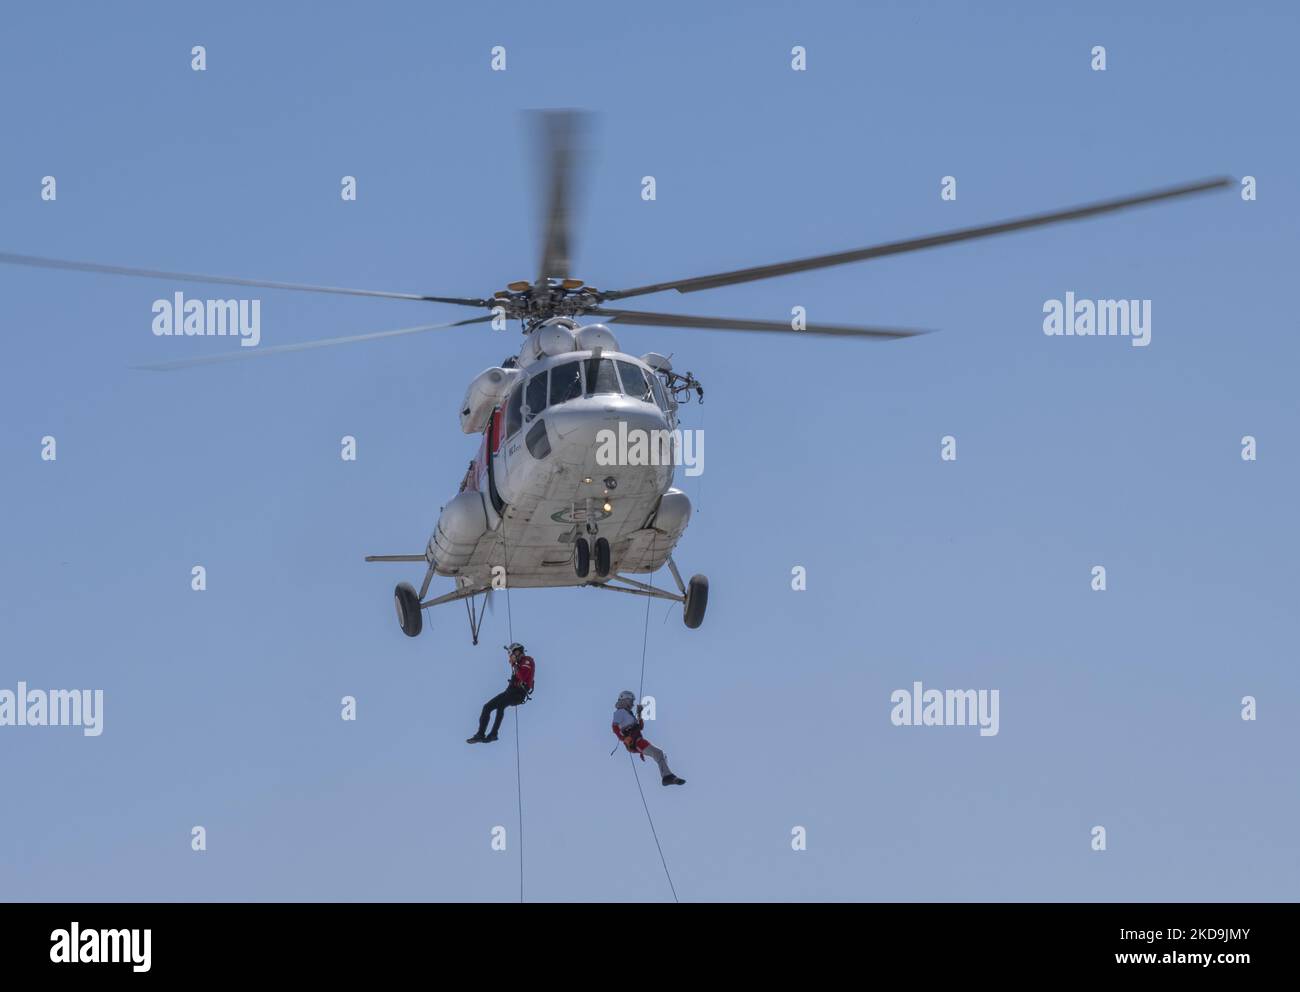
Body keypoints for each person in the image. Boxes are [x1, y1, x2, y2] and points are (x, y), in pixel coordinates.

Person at [612, 690, 685, 786]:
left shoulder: (628, 714)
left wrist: (639, 714)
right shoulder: (620, 712)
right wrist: (623, 738)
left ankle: (667, 775)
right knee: (658, 753)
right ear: (625, 700)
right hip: (635, 741)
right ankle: (667, 777)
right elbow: (614, 727)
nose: (632, 704)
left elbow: (640, 727)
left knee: (662, 754)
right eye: (631, 701)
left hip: (637, 739)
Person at [467, 643, 535, 743]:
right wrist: (515, 664)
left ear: (518, 652)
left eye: (512, 654)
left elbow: (523, 677)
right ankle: (481, 734)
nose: (511, 657)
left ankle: (493, 734)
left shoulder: (527, 660)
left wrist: (515, 664)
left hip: (518, 694)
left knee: (500, 705)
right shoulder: (519, 664)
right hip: (510, 692)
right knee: (487, 707)